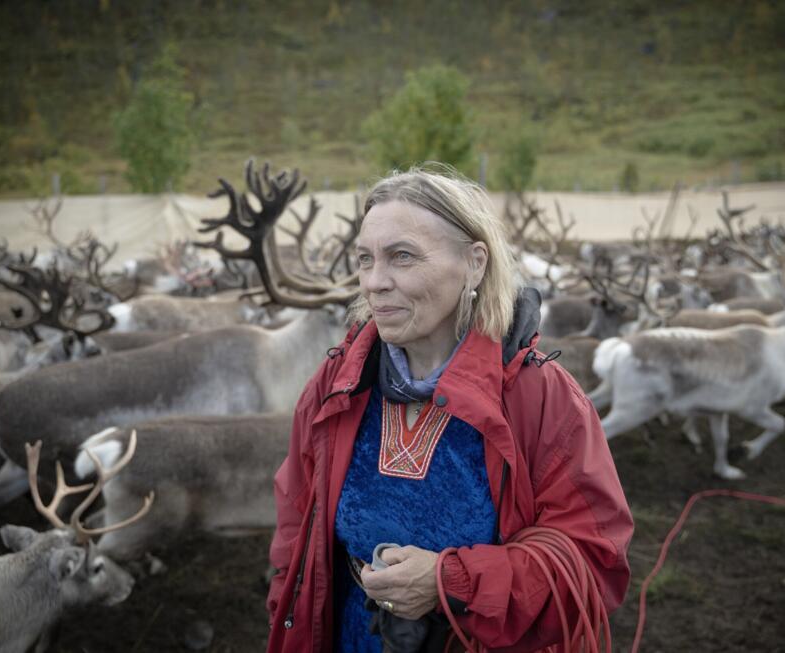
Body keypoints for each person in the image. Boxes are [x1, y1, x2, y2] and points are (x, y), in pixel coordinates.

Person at [266, 165, 633, 652]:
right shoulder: (338, 383)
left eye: (402, 256)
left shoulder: (539, 397)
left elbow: (593, 561)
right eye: (364, 259)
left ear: (474, 263)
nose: (374, 282)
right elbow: (296, 532)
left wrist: (452, 582)